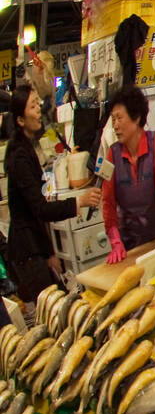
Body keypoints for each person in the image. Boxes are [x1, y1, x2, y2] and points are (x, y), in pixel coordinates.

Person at [3, 85, 101, 303]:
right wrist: (79, 201)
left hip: (35, 248)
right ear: (20, 120)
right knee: (54, 308)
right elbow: (40, 208)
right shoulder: (19, 157)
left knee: (59, 303)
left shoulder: (27, 148)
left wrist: (49, 253)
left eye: (37, 104)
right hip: (27, 253)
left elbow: (36, 211)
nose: (39, 109)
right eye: (32, 106)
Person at [103, 85, 155, 263]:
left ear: (137, 117)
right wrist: (115, 242)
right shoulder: (112, 154)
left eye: (119, 118)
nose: (115, 126)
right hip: (129, 245)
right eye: (113, 119)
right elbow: (108, 203)